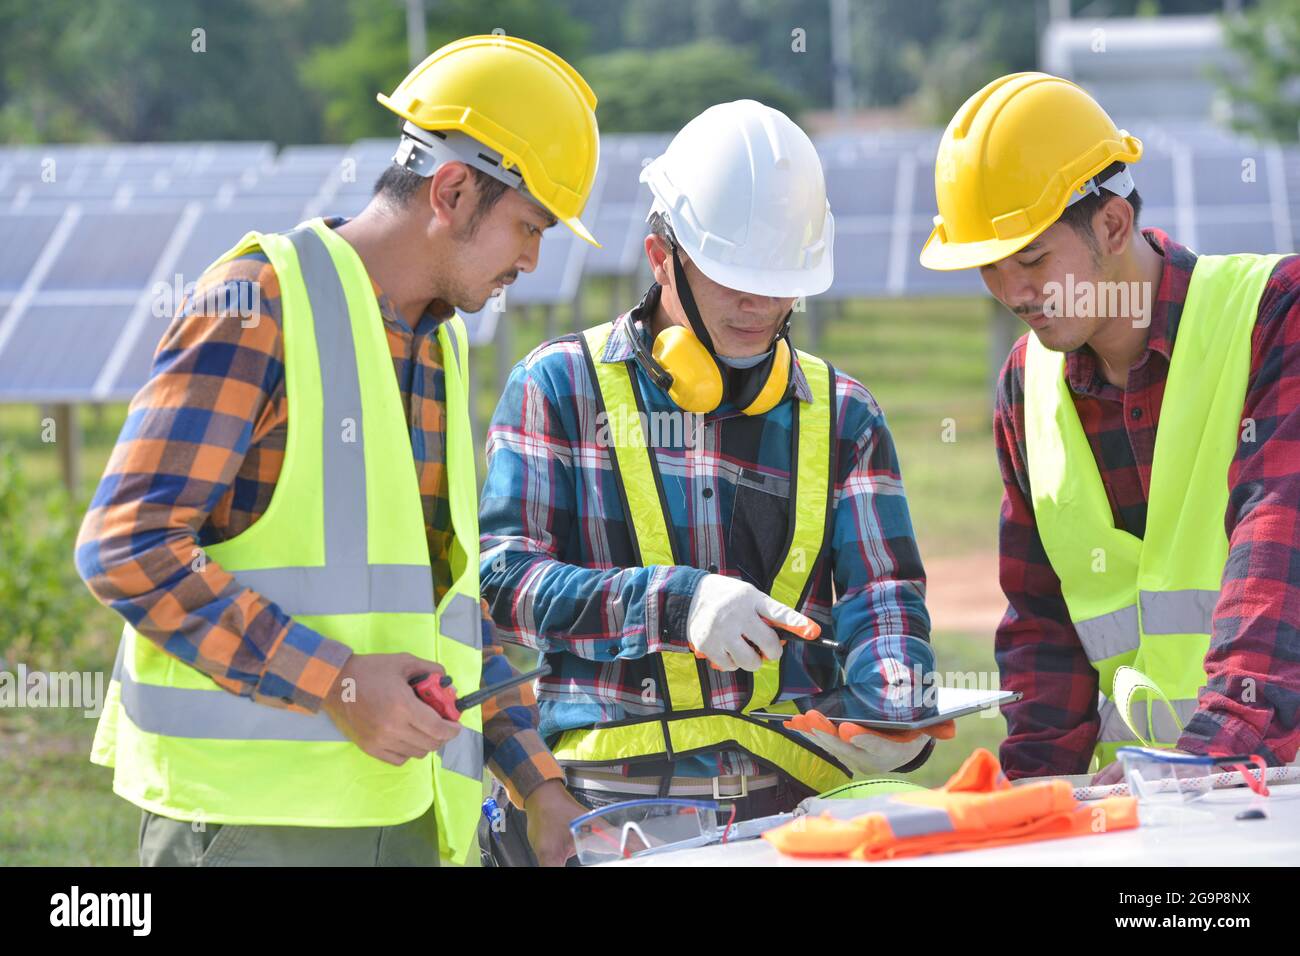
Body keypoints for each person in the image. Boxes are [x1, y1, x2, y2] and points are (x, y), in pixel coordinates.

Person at [75, 35, 598, 866]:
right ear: (454, 191)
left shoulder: (439, 343)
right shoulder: (260, 303)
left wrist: (540, 786)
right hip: (252, 827)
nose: (533, 261)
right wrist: (339, 681)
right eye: (529, 227)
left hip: (407, 814)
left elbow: (446, 603)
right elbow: (124, 546)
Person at [477, 100, 947, 863]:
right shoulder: (560, 386)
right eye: (735, 277)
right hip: (603, 811)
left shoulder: (844, 414)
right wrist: (676, 604)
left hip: (789, 816)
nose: (761, 305)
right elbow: (503, 585)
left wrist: (895, 701)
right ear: (662, 255)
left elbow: (883, 598)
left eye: (783, 281)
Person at [919, 72, 1300, 782]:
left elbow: (1280, 564)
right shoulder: (1024, 383)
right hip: (1153, 809)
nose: (1014, 293)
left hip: (1275, 793)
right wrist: (1037, 796)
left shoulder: (1274, 315)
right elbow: (1044, 625)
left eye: (1031, 258)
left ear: (1113, 225)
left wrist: (1197, 766)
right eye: (990, 270)